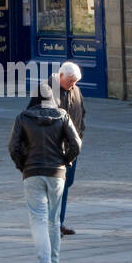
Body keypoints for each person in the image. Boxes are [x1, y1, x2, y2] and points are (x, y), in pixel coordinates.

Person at [8, 82, 81, 263]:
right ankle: (54, 262)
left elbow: (13, 147)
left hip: (32, 171)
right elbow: (76, 143)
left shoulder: (23, 117)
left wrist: (22, 165)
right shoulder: (62, 115)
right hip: (57, 173)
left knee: (38, 218)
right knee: (54, 219)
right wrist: (66, 161)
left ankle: (44, 260)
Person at [49, 61, 86, 236]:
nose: (73, 84)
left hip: (72, 149)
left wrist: (79, 137)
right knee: (55, 186)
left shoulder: (76, 91)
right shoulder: (47, 92)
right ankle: (52, 224)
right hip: (54, 149)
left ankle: (59, 222)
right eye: (71, 80)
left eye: (76, 81)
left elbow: (82, 113)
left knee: (65, 185)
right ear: (61, 75)